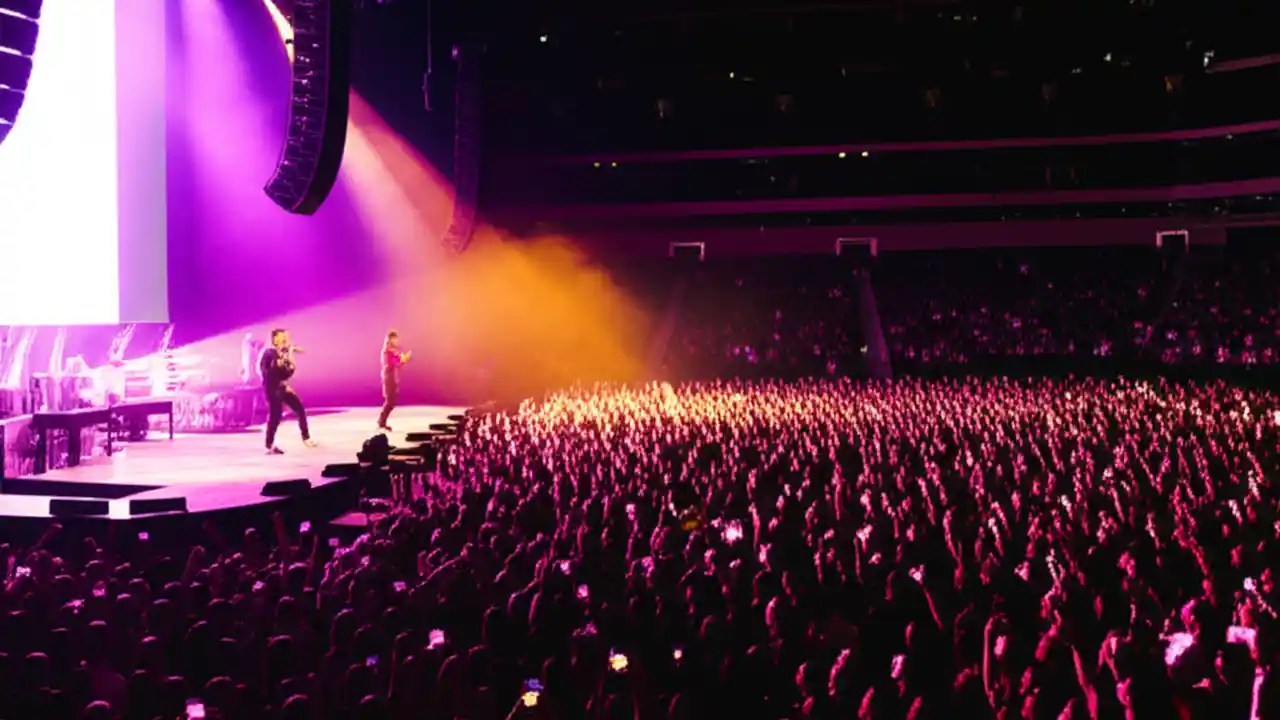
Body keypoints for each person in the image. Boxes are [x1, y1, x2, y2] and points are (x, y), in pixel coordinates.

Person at [260, 329, 315, 454]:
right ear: (275, 339)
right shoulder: (269, 353)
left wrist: (290, 353)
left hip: (281, 388)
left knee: (299, 409)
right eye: (282, 337)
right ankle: (269, 445)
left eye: (286, 337)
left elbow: (288, 372)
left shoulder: (282, 354)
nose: (285, 339)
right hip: (272, 389)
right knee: (275, 416)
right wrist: (281, 362)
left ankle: (306, 438)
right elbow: (266, 371)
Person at [378, 330, 412, 432]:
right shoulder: (387, 352)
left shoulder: (392, 351)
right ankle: (381, 421)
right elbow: (390, 364)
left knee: (391, 401)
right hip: (389, 377)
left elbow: (397, 363)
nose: (397, 340)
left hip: (392, 377)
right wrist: (401, 359)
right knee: (390, 401)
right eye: (394, 338)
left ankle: (382, 421)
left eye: (397, 338)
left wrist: (403, 359)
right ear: (390, 339)